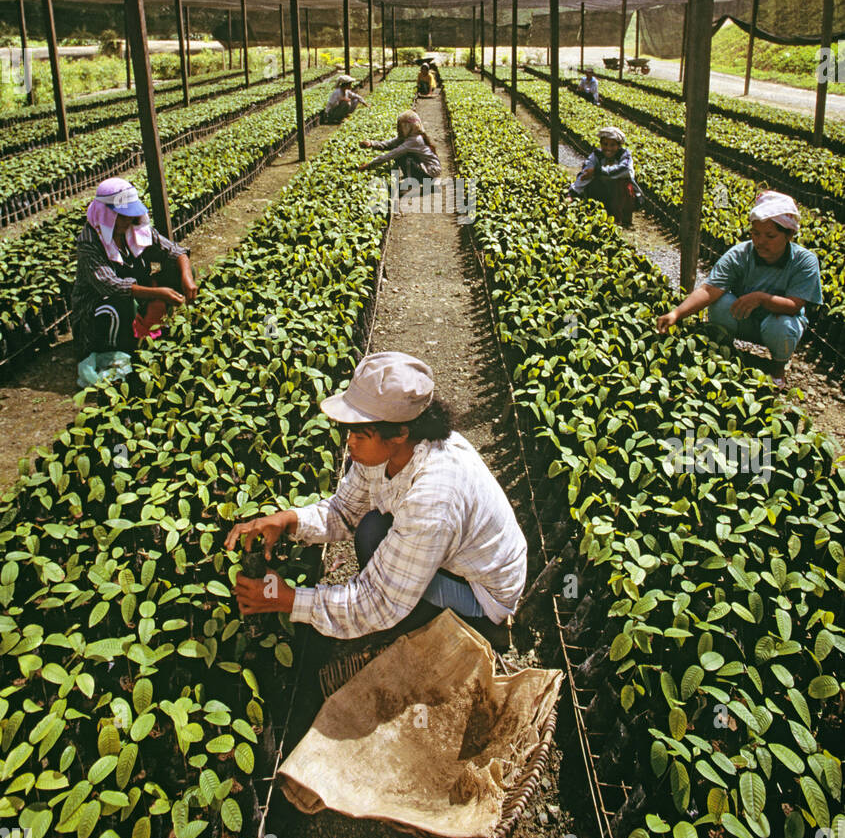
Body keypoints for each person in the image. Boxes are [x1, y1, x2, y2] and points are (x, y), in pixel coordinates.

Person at [227, 352, 528, 651]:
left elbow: (378, 600)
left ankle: (477, 630)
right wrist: (288, 520)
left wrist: (288, 599)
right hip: (452, 559)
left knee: (374, 544)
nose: (349, 441)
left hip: (481, 592)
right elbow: (345, 511)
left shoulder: (434, 498)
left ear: (399, 434)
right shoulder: (387, 449)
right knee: (371, 528)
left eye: (360, 433)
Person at [657, 191, 822, 387]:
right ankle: (726, 353)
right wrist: (676, 314)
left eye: (770, 236)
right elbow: (710, 290)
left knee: (783, 325)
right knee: (719, 303)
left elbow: (794, 306)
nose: (760, 241)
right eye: (755, 234)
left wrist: (762, 298)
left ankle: (778, 367)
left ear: (789, 235)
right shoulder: (740, 254)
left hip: (775, 323)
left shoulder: (804, 261)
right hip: (745, 317)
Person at [71, 178, 197, 386]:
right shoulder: (90, 241)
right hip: (100, 308)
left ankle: (144, 328)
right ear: (106, 214)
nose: (127, 221)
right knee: (120, 301)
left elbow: (176, 252)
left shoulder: (135, 228)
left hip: (136, 295)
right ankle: (115, 351)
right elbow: (111, 286)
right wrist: (158, 293)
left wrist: (187, 277)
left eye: (130, 215)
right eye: (121, 216)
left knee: (182, 269)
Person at [568, 126, 641, 227]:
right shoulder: (596, 155)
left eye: (612, 145)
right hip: (603, 192)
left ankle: (622, 218)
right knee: (592, 182)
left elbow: (624, 170)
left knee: (623, 183)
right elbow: (585, 173)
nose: (608, 148)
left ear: (619, 145)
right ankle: (598, 213)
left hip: (620, 195)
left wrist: (598, 171)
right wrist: (572, 193)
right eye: (605, 144)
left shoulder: (625, 155)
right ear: (601, 144)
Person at [358, 110, 441, 184]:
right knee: (402, 154)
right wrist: (371, 144)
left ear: (407, 127)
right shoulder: (408, 137)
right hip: (427, 168)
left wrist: (369, 165)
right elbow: (388, 144)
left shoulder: (414, 140)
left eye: (400, 127)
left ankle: (412, 182)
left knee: (402, 156)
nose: (398, 129)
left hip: (431, 171)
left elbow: (391, 154)